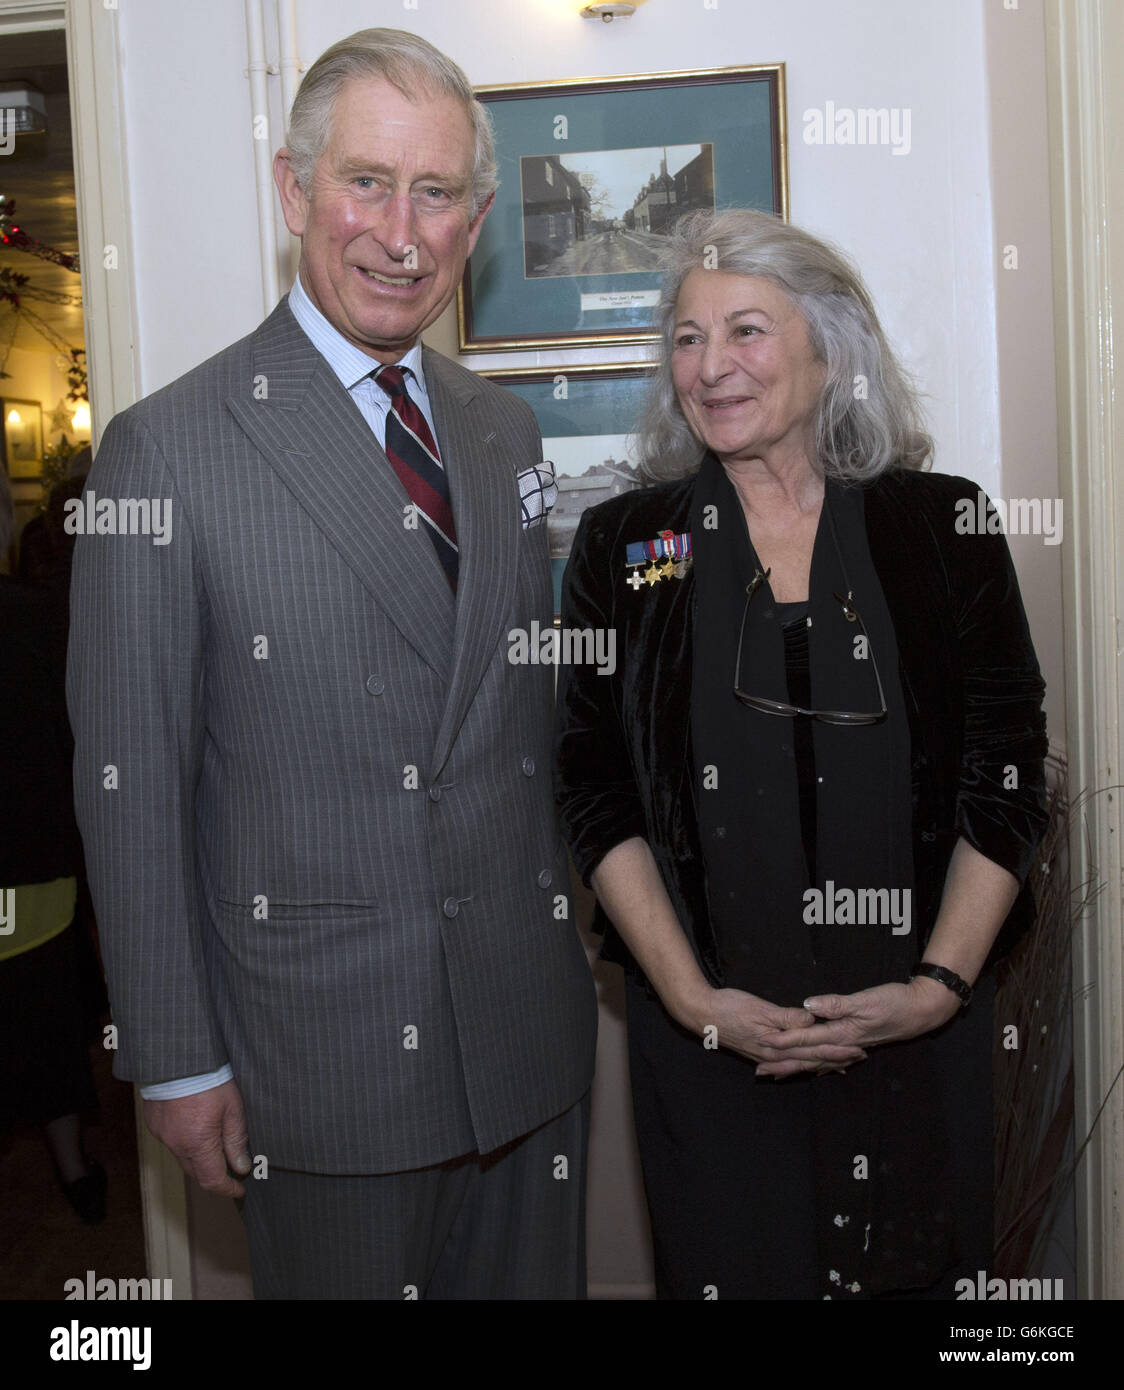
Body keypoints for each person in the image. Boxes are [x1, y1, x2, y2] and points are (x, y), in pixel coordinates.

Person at [67, 27, 597, 1300]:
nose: (399, 233)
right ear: (294, 189)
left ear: (475, 219)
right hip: (321, 1066)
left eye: (437, 195)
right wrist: (176, 1059)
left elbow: (515, 722)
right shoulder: (166, 453)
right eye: (366, 182)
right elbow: (128, 787)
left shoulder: (497, 427)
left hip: (526, 1045)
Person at [554, 208, 1048, 1300]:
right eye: (685, 338)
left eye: (744, 330)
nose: (709, 366)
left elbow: (1007, 773)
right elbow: (593, 791)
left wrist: (936, 985)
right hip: (714, 1048)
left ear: (829, 351)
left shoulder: (940, 525)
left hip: (916, 1039)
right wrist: (691, 1002)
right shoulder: (629, 546)